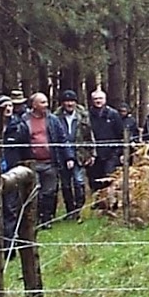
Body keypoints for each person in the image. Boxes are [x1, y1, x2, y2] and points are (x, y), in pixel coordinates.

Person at [3, 92, 74, 227]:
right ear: (34, 105)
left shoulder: (52, 119)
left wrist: (69, 156)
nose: (46, 105)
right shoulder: (24, 120)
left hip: (50, 161)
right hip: (31, 162)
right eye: (42, 102)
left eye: (46, 102)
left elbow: (62, 139)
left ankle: (46, 219)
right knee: (34, 192)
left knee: (49, 192)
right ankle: (33, 221)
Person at [56, 90, 92, 218]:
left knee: (79, 182)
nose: (69, 104)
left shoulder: (83, 115)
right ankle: (70, 210)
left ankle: (79, 209)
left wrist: (91, 154)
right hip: (62, 155)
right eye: (66, 101)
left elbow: (89, 135)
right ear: (62, 103)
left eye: (72, 101)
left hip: (80, 154)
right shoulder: (56, 116)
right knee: (65, 185)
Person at [85, 88, 123, 194]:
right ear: (92, 100)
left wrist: (119, 152)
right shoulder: (87, 115)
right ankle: (96, 204)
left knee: (109, 179)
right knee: (94, 181)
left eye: (100, 98)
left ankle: (109, 205)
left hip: (111, 153)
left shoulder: (113, 114)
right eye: (96, 99)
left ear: (105, 99)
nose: (98, 101)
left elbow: (120, 134)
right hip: (94, 155)